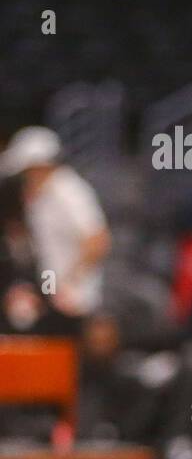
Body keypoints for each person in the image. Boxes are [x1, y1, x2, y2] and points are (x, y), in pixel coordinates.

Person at [0, 126, 110, 336]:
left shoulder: (70, 192)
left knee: (69, 353)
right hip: (53, 289)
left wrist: (69, 284)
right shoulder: (38, 197)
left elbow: (98, 241)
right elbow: (44, 253)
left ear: (40, 166)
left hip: (74, 297)